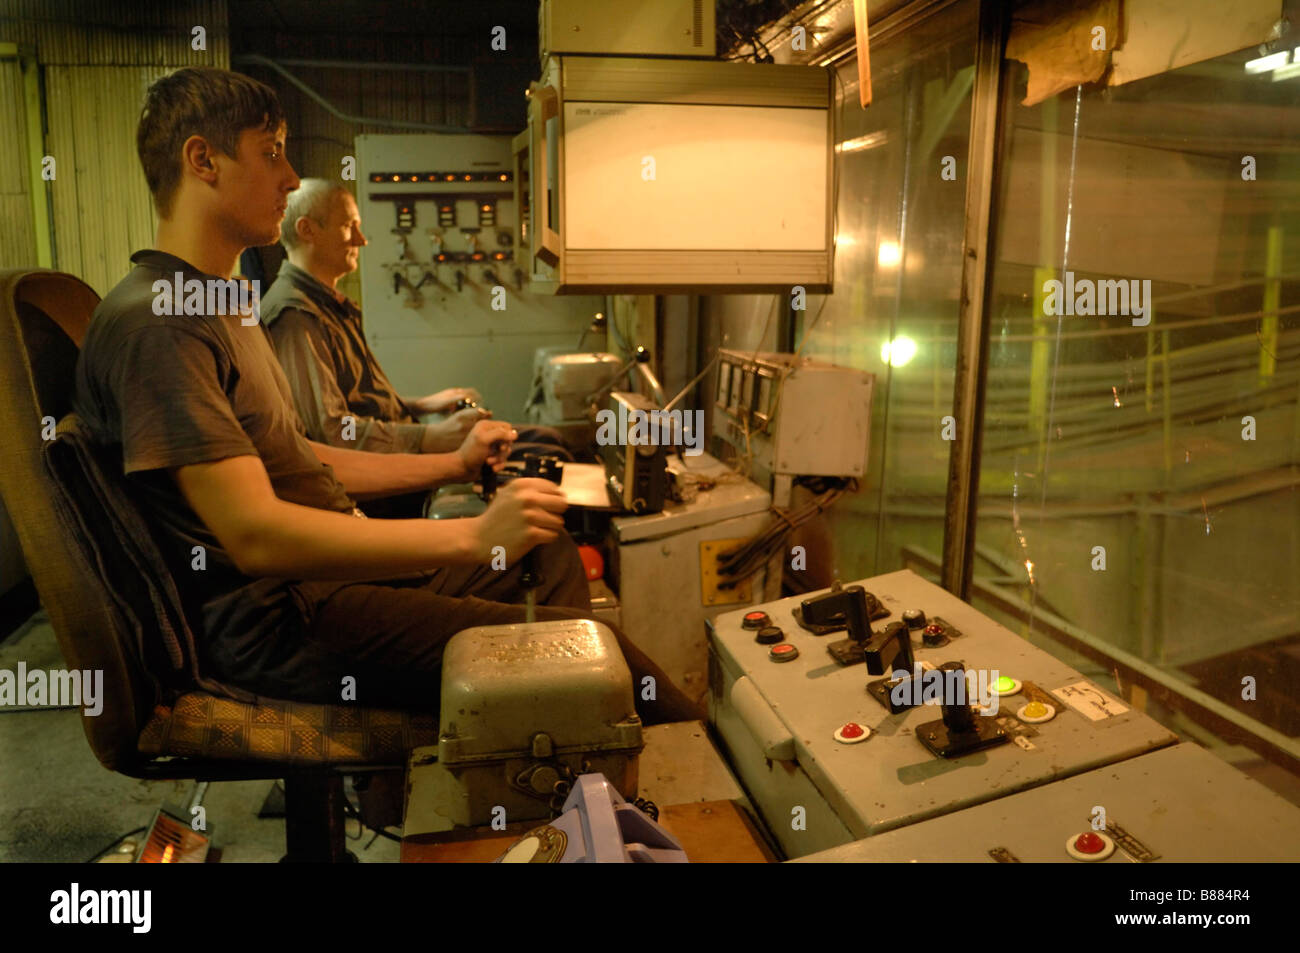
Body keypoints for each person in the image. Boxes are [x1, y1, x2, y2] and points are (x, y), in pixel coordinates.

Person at [71, 66, 699, 725]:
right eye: (272, 151)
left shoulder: (219, 304)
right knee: (607, 660)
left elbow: (305, 453)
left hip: (325, 581)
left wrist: (454, 467)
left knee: (544, 551)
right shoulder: (162, 322)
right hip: (282, 616)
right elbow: (253, 535)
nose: (289, 179)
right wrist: (471, 535)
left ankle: (561, 735)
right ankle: (590, 727)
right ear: (203, 159)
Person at [258, 178, 571, 462]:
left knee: (548, 438)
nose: (362, 240)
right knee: (547, 451)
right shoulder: (296, 316)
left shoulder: (328, 305)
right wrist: (431, 437)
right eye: (348, 226)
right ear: (307, 230)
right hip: (380, 473)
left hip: (396, 447)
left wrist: (423, 404)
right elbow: (334, 433)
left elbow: (358, 403)